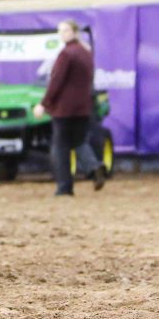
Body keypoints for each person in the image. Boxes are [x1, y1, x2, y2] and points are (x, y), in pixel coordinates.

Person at [35, 20, 104, 197]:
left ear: (74, 31)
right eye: (60, 31)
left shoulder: (65, 54)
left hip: (64, 108)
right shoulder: (86, 53)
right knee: (79, 141)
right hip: (82, 107)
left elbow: (56, 81)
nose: (62, 34)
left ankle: (64, 187)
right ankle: (94, 167)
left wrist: (44, 103)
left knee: (60, 146)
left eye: (65, 30)